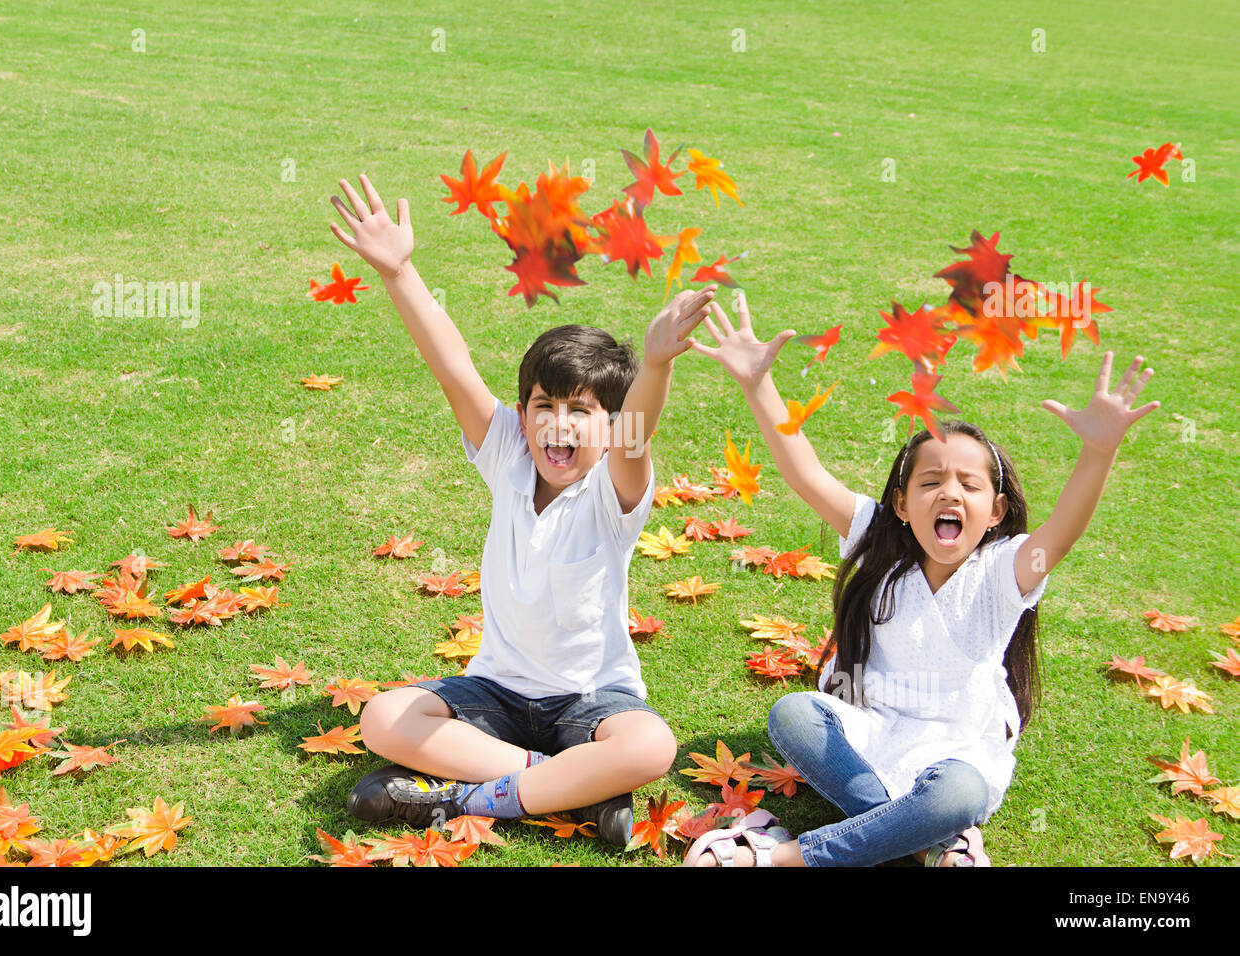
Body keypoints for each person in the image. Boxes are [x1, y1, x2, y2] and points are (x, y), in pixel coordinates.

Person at [682, 291, 1158, 866]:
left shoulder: (1002, 572)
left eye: (969, 484)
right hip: (869, 728)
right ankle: (931, 843)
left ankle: (787, 858)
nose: (949, 491)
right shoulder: (879, 538)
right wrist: (759, 385)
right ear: (903, 505)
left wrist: (1099, 453)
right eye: (931, 481)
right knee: (792, 716)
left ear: (997, 513)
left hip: (954, 751)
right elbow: (804, 472)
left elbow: (1061, 532)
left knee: (957, 795)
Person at [326, 174, 716, 845]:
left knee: (651, 747)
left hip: (591, 703)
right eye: (544, 406)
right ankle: (569, 789)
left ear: (608, 426)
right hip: (498, 694)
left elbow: (637, 431)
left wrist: (656, 365)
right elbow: (452, 365)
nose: (557, 427)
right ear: (522, 414)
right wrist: (400, 271)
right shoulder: (507, 451)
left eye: (581, 413)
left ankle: (474, 796)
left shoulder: (612, 492)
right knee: (384, 717)